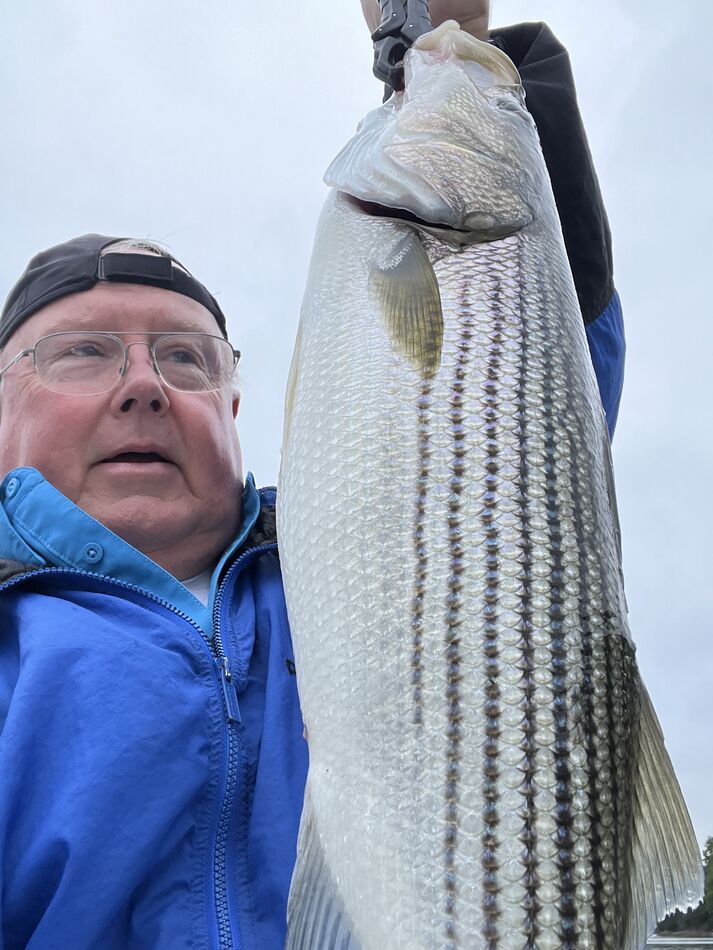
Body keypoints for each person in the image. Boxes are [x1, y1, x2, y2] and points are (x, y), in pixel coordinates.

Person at [0, 3, 624, 948]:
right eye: (83, 354)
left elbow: (538, 413)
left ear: (238, 407)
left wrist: (465, 51)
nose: (144, 387)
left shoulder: (376, 550)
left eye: (186, 357)